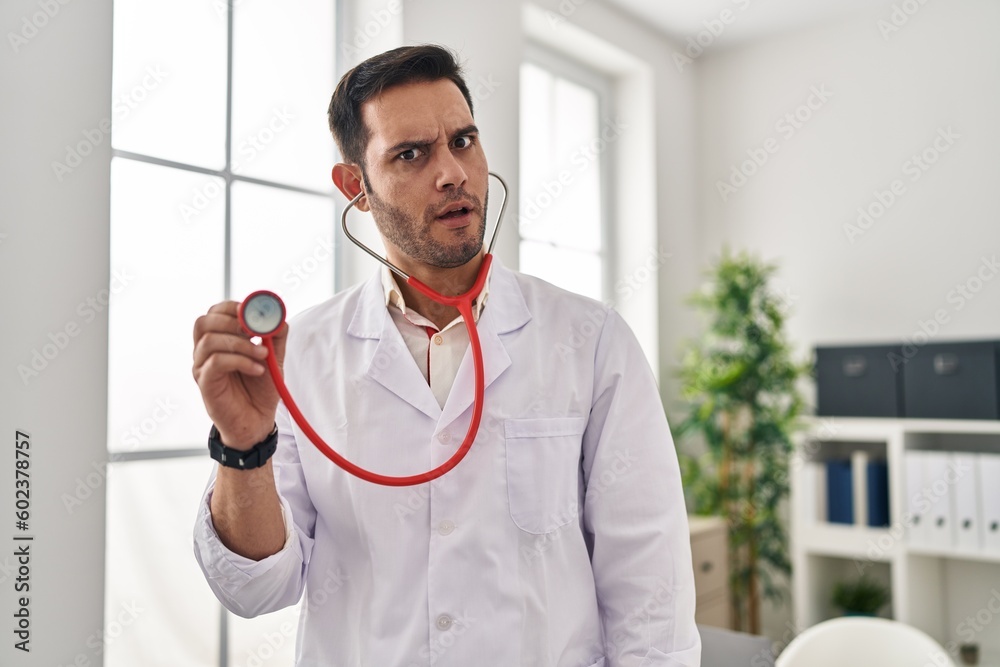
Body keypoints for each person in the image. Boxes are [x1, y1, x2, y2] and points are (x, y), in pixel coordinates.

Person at [192, 44, 701, 667]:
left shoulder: (590, 340)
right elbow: (257, 587)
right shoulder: (302, 357)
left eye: (463, 141)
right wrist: (244, 446)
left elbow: (652, 588)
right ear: (356, 186)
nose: (453, 172)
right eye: (411, 154)